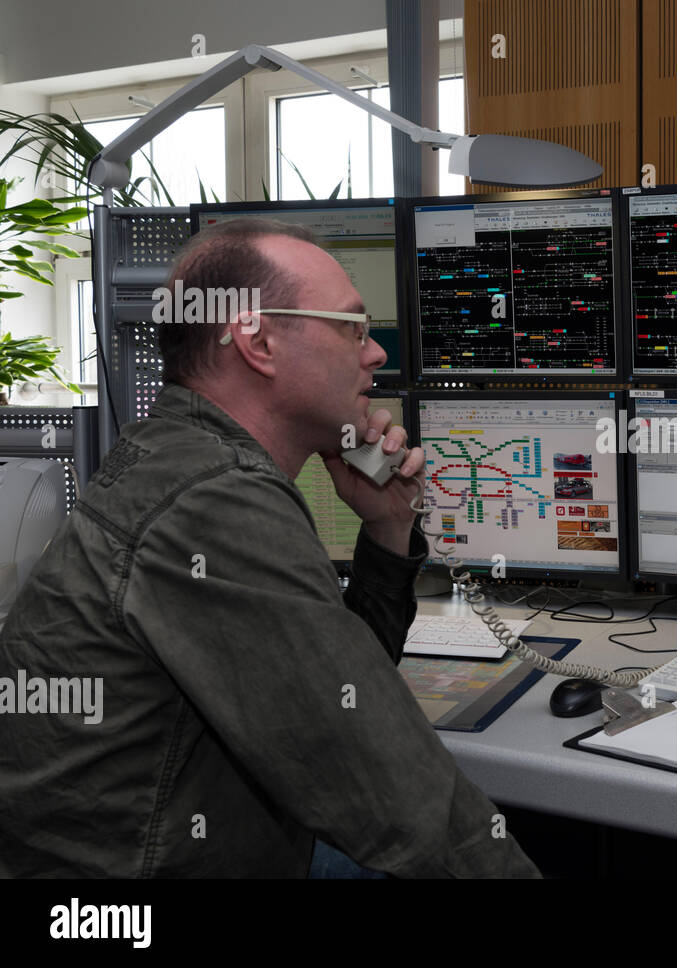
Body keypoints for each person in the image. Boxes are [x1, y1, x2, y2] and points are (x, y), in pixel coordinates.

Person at [0, 219, 539, 877]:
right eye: (352, 327)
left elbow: (333, 698)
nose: (374, 353)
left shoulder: (175, 457)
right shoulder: (213, 498)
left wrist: (387, 528)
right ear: (257, 342)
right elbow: (399, 794)